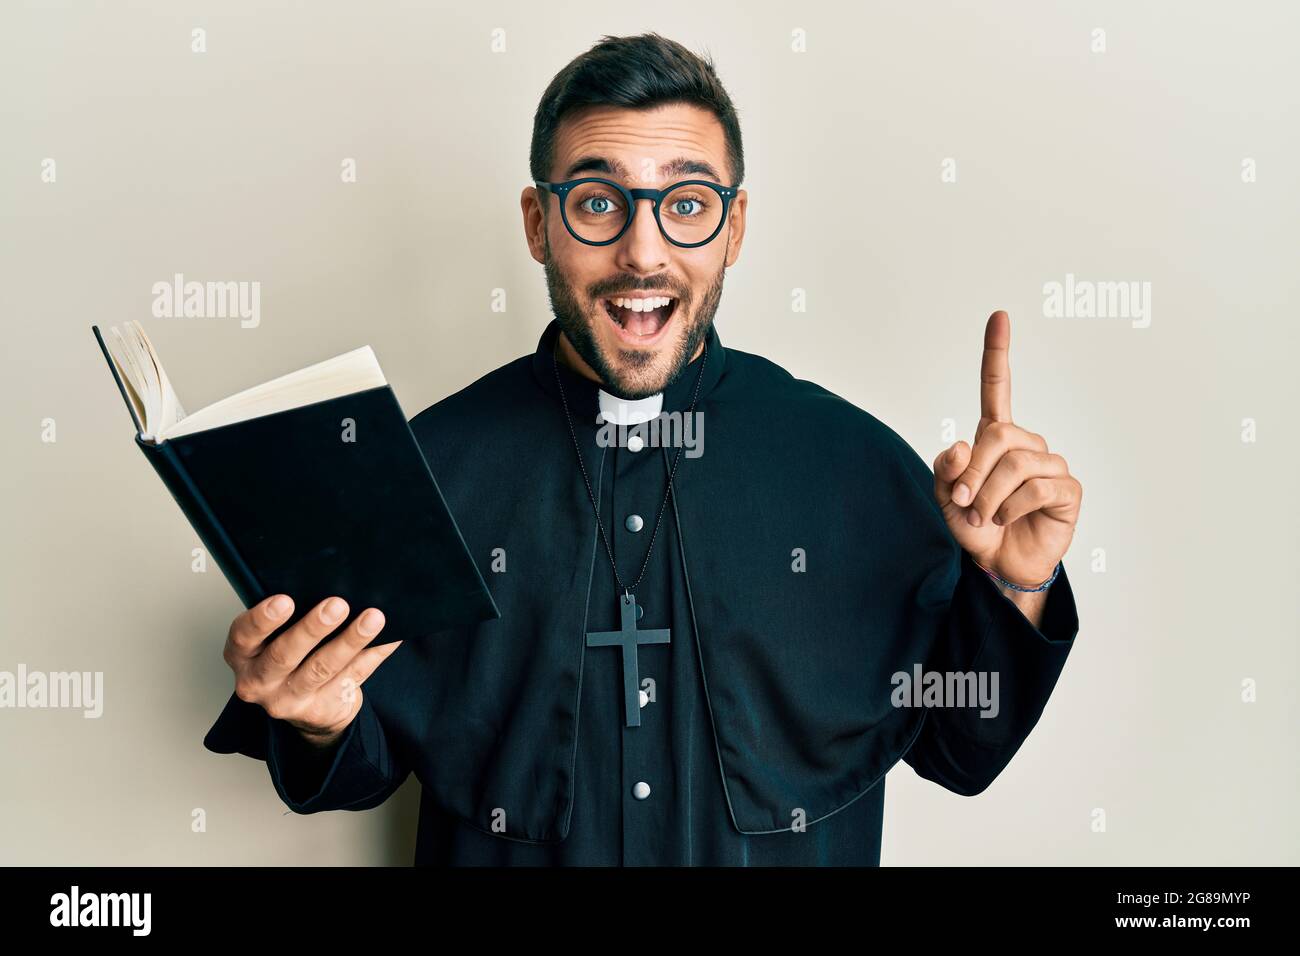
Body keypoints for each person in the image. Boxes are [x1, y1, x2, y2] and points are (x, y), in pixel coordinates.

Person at [205, 32, 1082, 866]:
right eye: (597, 202)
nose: (643, 250)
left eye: (687, 204)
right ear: (538, 225)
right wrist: (316, 718)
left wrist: (1016, 586)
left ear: (734, 228)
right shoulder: (427, 470)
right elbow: (357, 762)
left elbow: (965, 753)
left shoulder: (857, 467)